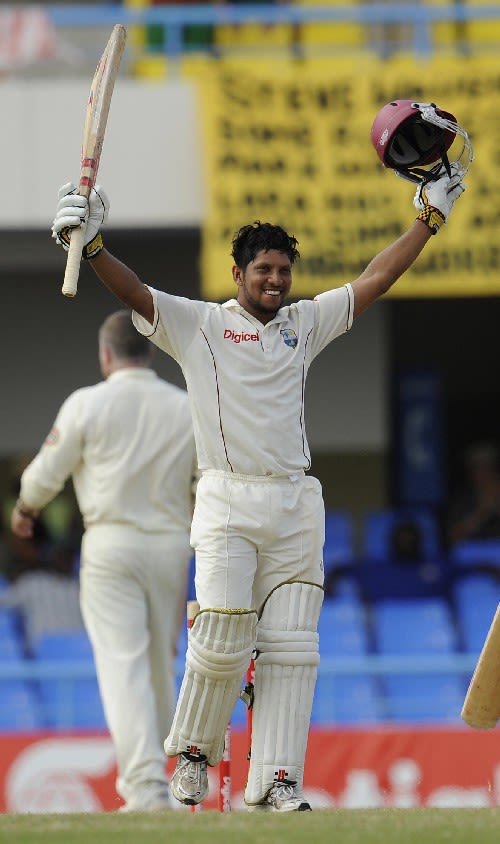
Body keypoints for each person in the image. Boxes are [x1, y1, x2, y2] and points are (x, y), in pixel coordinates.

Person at [49, 164, 465, 812]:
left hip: (296, 502)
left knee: (294, 649)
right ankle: (192, 753)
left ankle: (275, 779)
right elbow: (136, 295)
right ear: (238, 274)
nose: (274, 280)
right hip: (226, 499)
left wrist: (427, 220)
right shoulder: (201, 326)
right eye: (262, 270)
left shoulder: (303, 324)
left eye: (282, 271)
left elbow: (375, 279)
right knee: (220, 633)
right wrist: (96, 244)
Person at [10, 310, 198, 813]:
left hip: (111, 545)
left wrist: (26, 508)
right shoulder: (186, 407)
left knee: (124, 664)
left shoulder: (87, 403)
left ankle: (146, 788)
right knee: (161, 662)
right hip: (170, 544)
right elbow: (207, 485)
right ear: (150, 354)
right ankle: (169, 783)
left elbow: (45, 473)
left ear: (105, 355)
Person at [447, 441, 500, 546]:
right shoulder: (463, 500)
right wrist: (480, 514)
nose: (482, 475)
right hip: (471, 557)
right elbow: (452, 539)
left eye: (487, 468)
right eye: (477, 469)